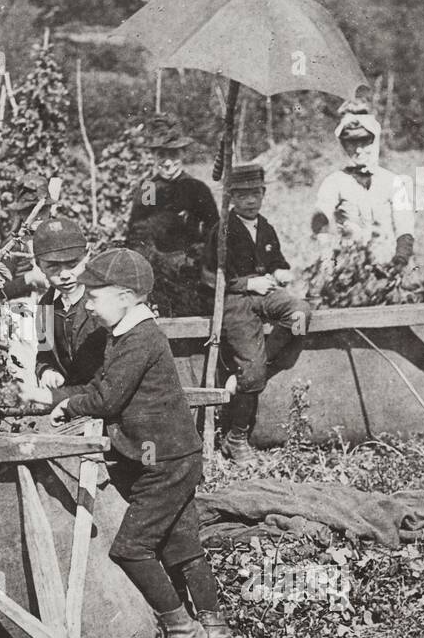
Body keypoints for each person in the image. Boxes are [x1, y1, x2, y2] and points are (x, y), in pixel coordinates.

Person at [20, 248, 235, 638]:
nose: (89, 305)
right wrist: (52, 398)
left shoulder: (141, 339)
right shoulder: (127, 333)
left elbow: (106, 398)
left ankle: (182, 630)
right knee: (181, 544)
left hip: (165, 462)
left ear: (124, 296)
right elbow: (103, 384)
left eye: (95, 297)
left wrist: (69, 406)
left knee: (131, 549)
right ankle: (219, 633)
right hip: (170, 456)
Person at [207, 163, 311, 465]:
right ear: (231, 198)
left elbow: (277, 259)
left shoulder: (265, 226)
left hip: (266, 296)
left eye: (255, 194)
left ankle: (255, 367)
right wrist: (247, 282)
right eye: (242, 195)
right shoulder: (222, 230)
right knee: (250, 371)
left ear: (264, 194)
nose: (249, 200)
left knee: (301, 313)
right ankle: (237, 437)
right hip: (235, 301)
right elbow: (209, 278)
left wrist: (282, 271)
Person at [313, 104, 415, 268]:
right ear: (344, 145)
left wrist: (400, 260)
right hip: (350, 265)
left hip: (390, 262)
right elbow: (321, 222)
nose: (359, 150)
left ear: (374, 141)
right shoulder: (333, 183)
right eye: (352, 143)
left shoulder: (393, 181)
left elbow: (404, 225)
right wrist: (328, 258)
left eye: (365, 142)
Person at [125, 112, 219, 255]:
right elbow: (137, 230)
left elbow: (214, 229)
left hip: (191, 260)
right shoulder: (149, 189)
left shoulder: (197, 189)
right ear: (153, 156)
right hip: (157, 260)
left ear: (183, 154)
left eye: (173, 154)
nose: (168, 162)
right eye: (161, 155)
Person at [30, 218, 107, 390]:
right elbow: (44, 353)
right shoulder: (45, 305)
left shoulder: (104, 301)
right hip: (70, 399)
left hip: (101, 396)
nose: (64, 275)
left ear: (87, 256)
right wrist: (46, 370)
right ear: (39, 265)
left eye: (73, 264)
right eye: (53, 267)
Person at [0, 172, 53, 301]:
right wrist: (28, 279)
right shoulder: (15, 246)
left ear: (50, 209)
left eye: (43, 210)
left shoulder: (54, 241)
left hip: (47, 308)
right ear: (21, 214)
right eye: (31, 211)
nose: (38, 216)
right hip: (21, 308)